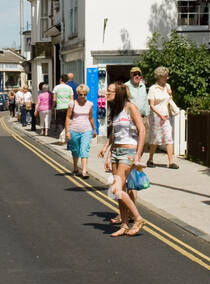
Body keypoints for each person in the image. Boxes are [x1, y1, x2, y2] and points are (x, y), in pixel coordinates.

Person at [101, 82, 146, 235]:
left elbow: (142, 129)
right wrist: (108, 153)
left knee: (116, 189)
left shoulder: (130, 107)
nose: (106, 93)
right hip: (116, 152)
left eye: (109, 91)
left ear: (118, 93)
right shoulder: (115, 109)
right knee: (120, 191)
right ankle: (125, 225)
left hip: (129, 151)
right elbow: (115, 134)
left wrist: (138, 154)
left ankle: (138, 218)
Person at [146, 66, 180, 169]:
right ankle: (150, 159)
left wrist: (170, 94)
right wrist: (159, 115)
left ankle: (171, 162)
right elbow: (151, 105)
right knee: (155, 138)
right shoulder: (153, 89)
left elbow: (168, 100)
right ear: (160, 77)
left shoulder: (167, 86)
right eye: (165, 76)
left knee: (169, 138)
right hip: (156, 116)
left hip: (166, 116)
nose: (167, 78)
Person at [65, 83, 96, 177]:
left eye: (85, 94)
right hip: (74, 130)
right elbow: (68, 117)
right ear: (77, 94)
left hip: (86, 130)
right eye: (80, 94)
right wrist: (67, 131)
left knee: (84, 150)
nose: (83, 96)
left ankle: (84, 171)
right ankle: (75, 167)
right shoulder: (72, 104)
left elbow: (91, 117)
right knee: (75, 150)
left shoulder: (90, 104)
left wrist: (94, 129)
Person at [53, 75, 75, 143]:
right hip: (68, 107)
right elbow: (72, 99)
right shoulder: (69, 88)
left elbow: (54, 99)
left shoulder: (56, 87)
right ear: (67, 80)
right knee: (67, 121)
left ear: (60, 79)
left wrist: (53, 106)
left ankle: (62, 135)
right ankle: (66, 136)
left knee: (60, 122)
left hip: (59, 107)